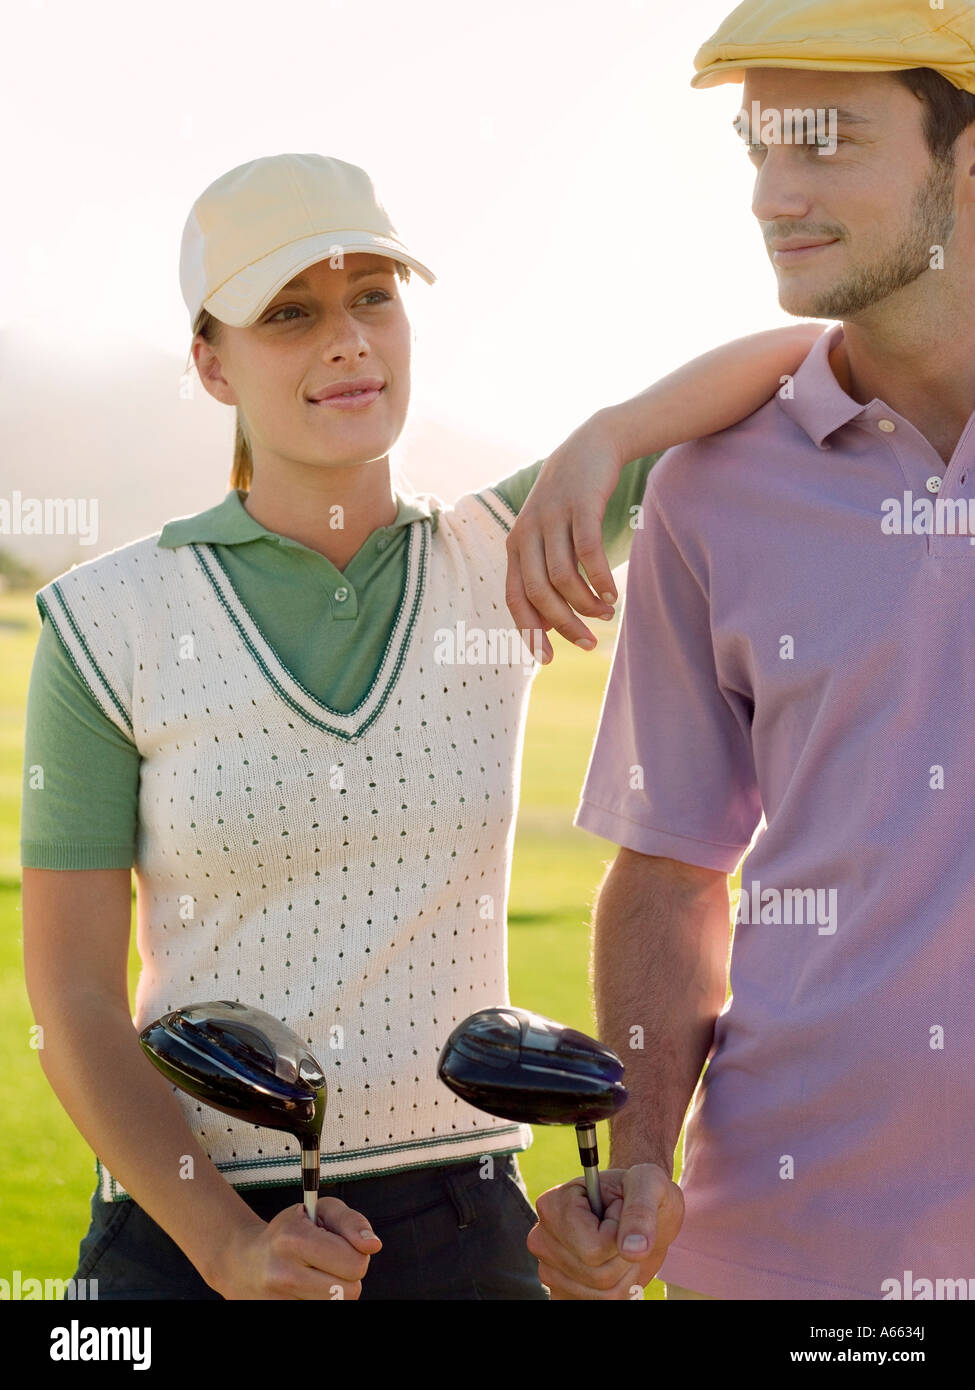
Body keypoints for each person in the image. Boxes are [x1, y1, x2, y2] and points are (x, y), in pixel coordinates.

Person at [21, 151, 822, 1301]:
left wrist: (606, 434)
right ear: (210, 362)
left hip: (464, 1232)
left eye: (374, 298)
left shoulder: (507, 549)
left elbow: (805, 357)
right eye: (290, 313)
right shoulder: (104, 621)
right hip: (184, 1238)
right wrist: (227, 1245)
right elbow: (77, 1001)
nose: (348, 340)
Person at [518, 0, 975, 1301]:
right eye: (757, 148)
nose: (775, 191)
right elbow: (666, 872)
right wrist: (642, 1151)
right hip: (780, 1249)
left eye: (823, 144)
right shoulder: (707, 488)